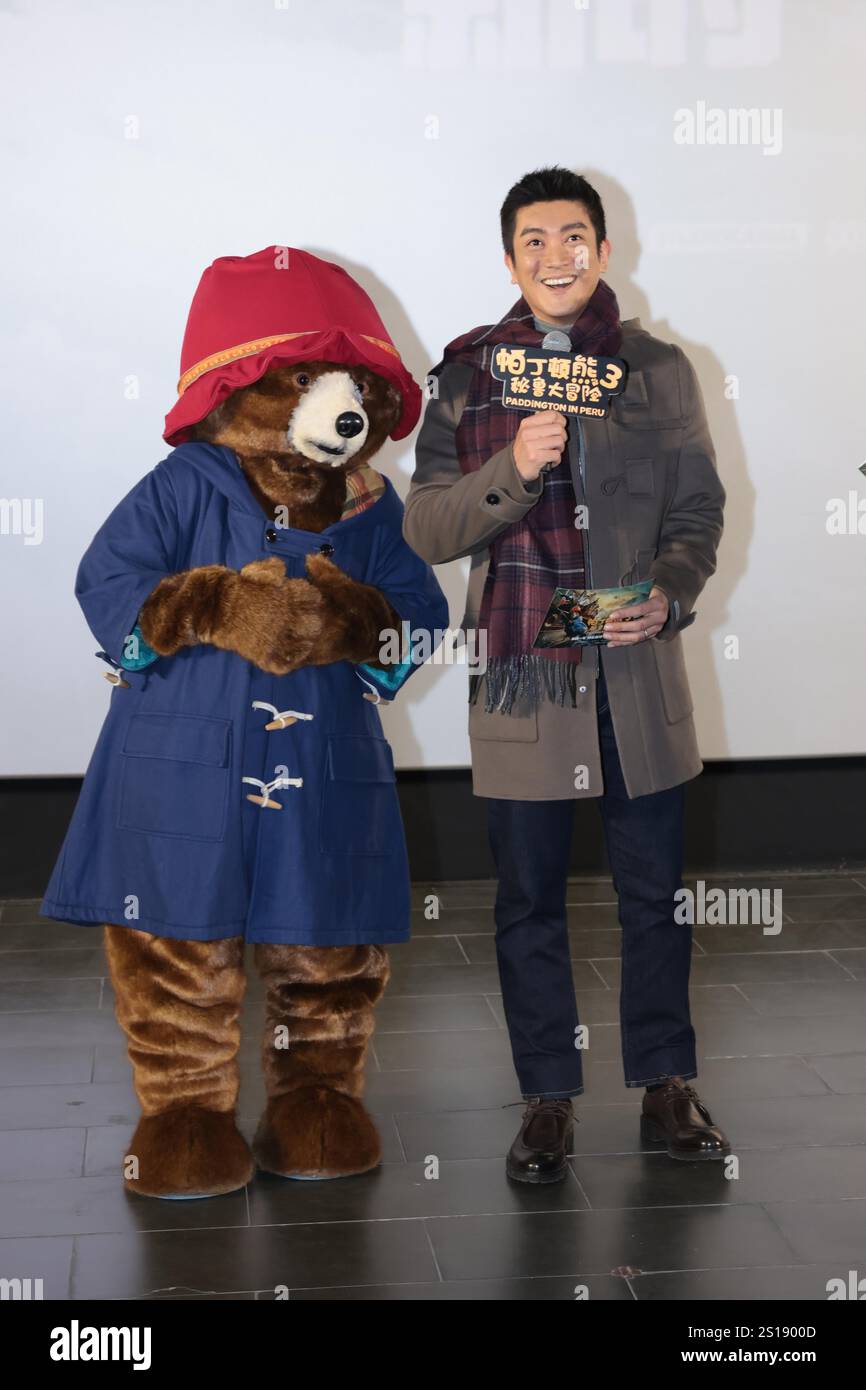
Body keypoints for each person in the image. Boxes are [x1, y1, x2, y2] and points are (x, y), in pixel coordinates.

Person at [404, 166, 729, 1183]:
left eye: (574, 235)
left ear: (602, 248)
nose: (556, 255)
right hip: (524, 677)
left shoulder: (657, 371)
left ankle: (664, 1083)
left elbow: (697, 512)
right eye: (534, 240)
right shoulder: (466, 377)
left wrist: (668, 593)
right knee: (527, 900)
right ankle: (546, 1099)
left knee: (653, 897)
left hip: (632, 674)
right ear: (509, 259)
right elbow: (426, 526)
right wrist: (517, 468)